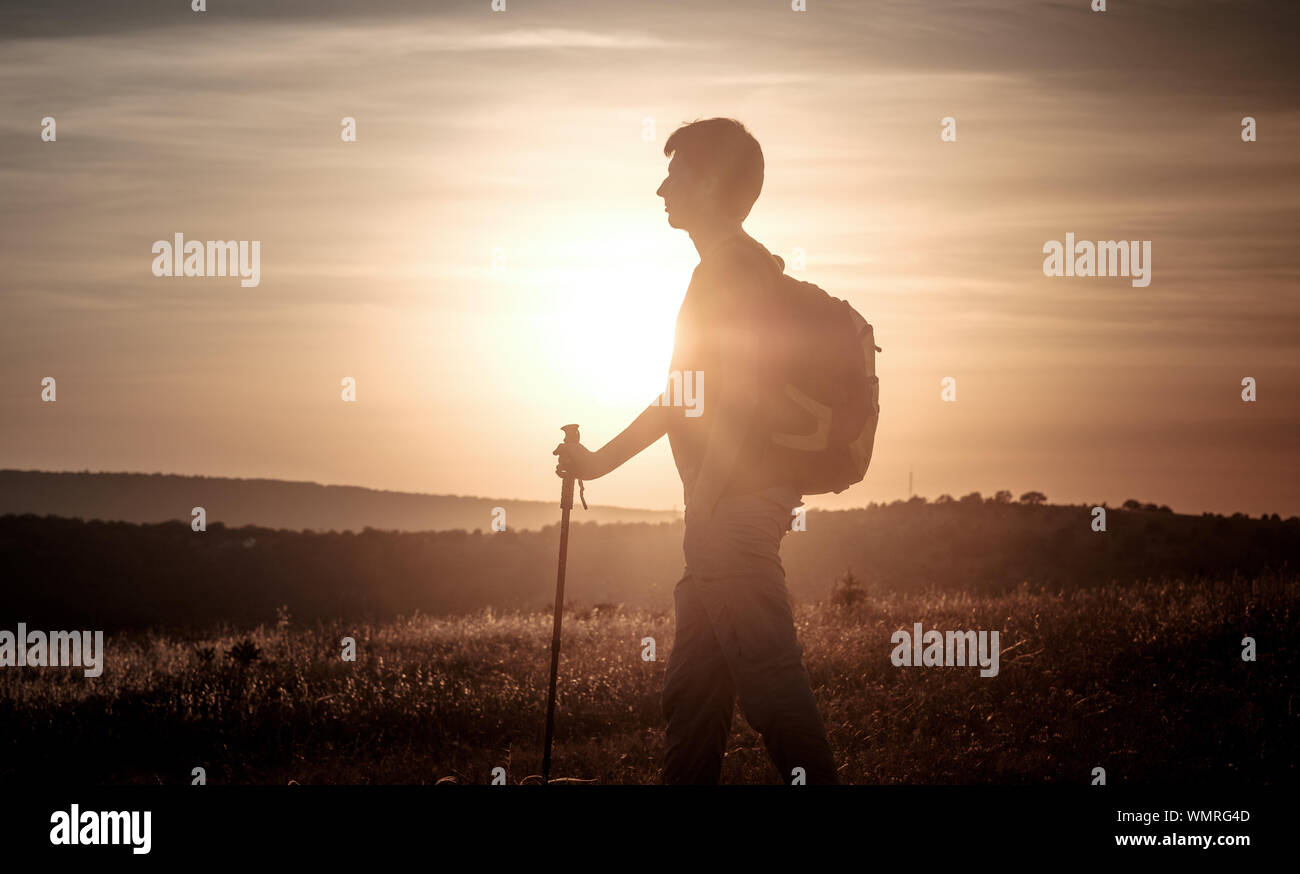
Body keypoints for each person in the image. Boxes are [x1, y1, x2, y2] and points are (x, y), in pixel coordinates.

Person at [553, 118, 838, 785]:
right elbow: (683, 395)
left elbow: (751, 383)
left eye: (675, 173)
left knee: (770, 686)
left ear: (709, 181)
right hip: (722, 511)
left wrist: (709, 491)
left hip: (731, 512)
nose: (660, 187)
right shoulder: (725, 268)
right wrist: (601, 464)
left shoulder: (733, 269)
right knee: (694, 699)